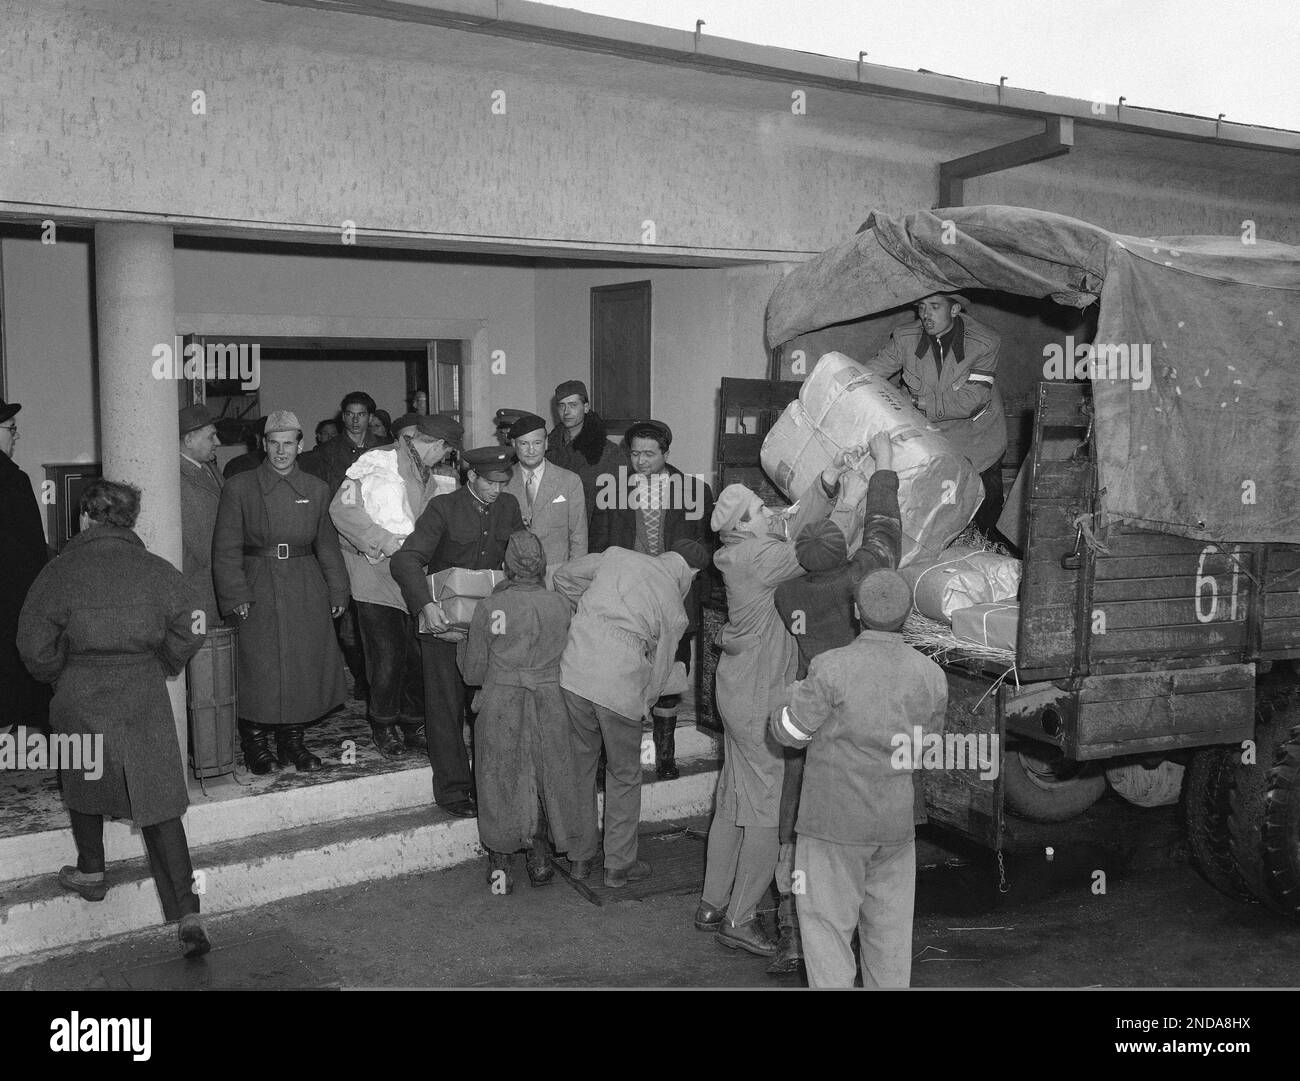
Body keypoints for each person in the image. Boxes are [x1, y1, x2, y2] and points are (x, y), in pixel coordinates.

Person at [17, 479, 211, 957]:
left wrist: (57, 674)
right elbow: (196, 621)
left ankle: (92, 872)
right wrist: (166, 661)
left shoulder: (59, 572)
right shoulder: (157, 570)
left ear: (86, 517)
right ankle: (187, 910)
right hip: (142, 689)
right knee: (159, 798)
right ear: (130, 519)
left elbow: (30, 642)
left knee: (83, 777)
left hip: (80, 689)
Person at [696, 461, 846, 957]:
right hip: (760, 694)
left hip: (735, 689)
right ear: (742, 524)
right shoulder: (761, 557)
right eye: (760, 510)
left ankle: (712, 903)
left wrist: (821, 484)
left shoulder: (735, 553)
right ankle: (739, 918)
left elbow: (790, 523)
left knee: (734, 798)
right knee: (764, 808)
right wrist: (831, 495)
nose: (769, 511)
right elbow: (810, 546)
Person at [770, 570, 947, 989]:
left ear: (855, 612)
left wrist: (783, 704)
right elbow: (927, 749)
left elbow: (790, 734)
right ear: (908, 617)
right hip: (894, 829)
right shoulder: (930, 676)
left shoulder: (831, 667)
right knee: (889, 941)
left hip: (831, 827)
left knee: (828, 936)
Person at [769, 438, 903, 975]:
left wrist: (829, 486)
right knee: (857, 816)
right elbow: (885, 535)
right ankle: (859, 927)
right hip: (855, 703)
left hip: (811, 704)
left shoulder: (787, 594)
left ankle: (790, 931)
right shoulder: (859, 580)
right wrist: (885, 467)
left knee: (796, 809)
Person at [553, 539, 711, 887]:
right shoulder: (675, 609)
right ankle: (618, 865)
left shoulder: (616, 556)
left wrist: (592, 616)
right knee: (623, 774)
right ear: (693, 573)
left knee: (580, 767)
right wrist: (644, 703)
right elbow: (658, 674)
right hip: (619, 687)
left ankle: (579, 858)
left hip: (575, 672)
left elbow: (564, 577)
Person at [212, 410, 350, 774]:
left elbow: (328, 545)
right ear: (263, 444)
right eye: (274, 444)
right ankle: (255, 742)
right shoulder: (240, 487)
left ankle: (293, 741)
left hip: (304, 585)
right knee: (258, 666)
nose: (281, 452)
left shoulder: (317, 489)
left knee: (301, 664)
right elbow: (225, 549)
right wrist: (235, 595)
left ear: (300, 445)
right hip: (257, 582)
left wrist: (338, 591)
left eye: (288, 444)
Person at [391, 446, 524, 818]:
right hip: (443, 628)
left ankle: (488, 789)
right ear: (471, 477)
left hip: (487, 629)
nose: (498, 489)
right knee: (445, 711)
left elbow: (522, 558)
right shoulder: (443, 509)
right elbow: (405, 560)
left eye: (503, 482)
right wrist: (425, 606)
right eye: (490, 482)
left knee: (486, 710)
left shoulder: (509, 508)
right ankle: (452, 791)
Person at [330, 412, 464, 759]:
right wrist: (381, 539)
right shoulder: (376, 462)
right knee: (386, 656)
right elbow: (340, 510)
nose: (444, 460)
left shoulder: (431, 478)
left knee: (415, 656)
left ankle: (412, 722)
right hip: (374, 578)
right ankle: (383, 724)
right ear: (435, 444)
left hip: (412, 581)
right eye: (445, 452)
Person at [591, 419, 714, 780]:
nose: (641, 461)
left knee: (671, 675)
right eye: (635, 453)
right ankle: (610, 759)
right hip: (626, 600)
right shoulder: (611, 488)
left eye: (649, 454)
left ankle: (665, 756)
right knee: (618, 676)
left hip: (675, 599)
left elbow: (705, 547)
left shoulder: (694, 490)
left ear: (666, 453)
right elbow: (599, 544)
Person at [463, 531, 584, 893]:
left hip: (503, 701)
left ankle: (501, 864)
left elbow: (473, 671)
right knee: (548, 776)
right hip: (550, 701)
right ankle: (541, 858)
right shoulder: (561, 605)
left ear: (507, 566)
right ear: (542, 565)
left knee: (498, 779)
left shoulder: (491, 608)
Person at [862, 292, 1006, 535]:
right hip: (932, 438)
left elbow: (971, 400)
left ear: (954, 309)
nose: (926, 315)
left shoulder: (985, 342)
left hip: (978, 439)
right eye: (921, 307)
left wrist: (917, 401)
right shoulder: (904, 338)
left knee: (986, 514)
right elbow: (871, 372)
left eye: (934, 307)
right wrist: (850, 381)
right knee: (931, 515)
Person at [300, 392, 383, 699]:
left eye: (361, 414)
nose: (355, 420)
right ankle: (361, 679)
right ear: (343, 417)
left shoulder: (384, 449)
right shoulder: (328, 452)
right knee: (347, 622)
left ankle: (377, 682)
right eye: (349, 414)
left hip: (376, 541)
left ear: (370, 417)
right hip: (339, 541)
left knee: (376, 618)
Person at [0, 397, 51, 733]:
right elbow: (31, 548)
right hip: (11, 600)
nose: (16, 436)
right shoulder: (13, 481)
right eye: (11, 429)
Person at [503, 413, 587, 572]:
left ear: (546, 443)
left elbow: (578, 536)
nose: (531, 450)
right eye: (523, 443)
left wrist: (574, 575)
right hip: (516, 574)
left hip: (556, 572)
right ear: (514, 444)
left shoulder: (569, 481)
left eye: (537, 443)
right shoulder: (504, 481)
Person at [545, 379, 627, 533]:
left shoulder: (609, 453)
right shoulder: (546, 448)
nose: (566, 412)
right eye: (561, 405)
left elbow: (618, 512)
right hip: (552, 535)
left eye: (573, 405)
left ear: (586, 407)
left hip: (592, 537)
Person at [178, 404, 224, 627]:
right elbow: (201, 546)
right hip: (201, 587)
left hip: (215, 583)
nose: (218, 442)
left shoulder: (208, 468)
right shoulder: (179, 478)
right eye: (211, 436)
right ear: (189, 440)